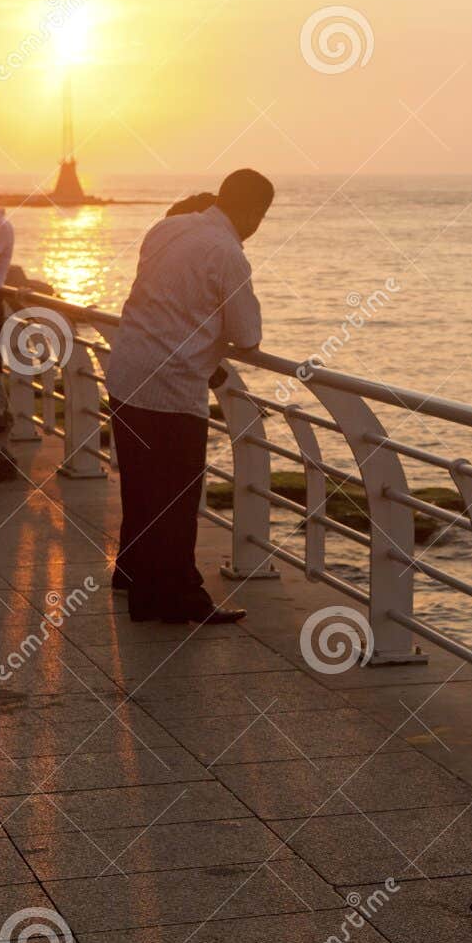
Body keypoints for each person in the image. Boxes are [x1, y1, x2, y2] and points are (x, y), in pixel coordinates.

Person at [103, 169, 270, 624]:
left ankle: (133, 576)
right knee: (176, 501)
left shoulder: (167, 228)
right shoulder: (228, 253)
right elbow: (247, 335)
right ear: (254, 211)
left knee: (141, 490)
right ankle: (180, 599)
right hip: (172, 388)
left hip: (126, 373)